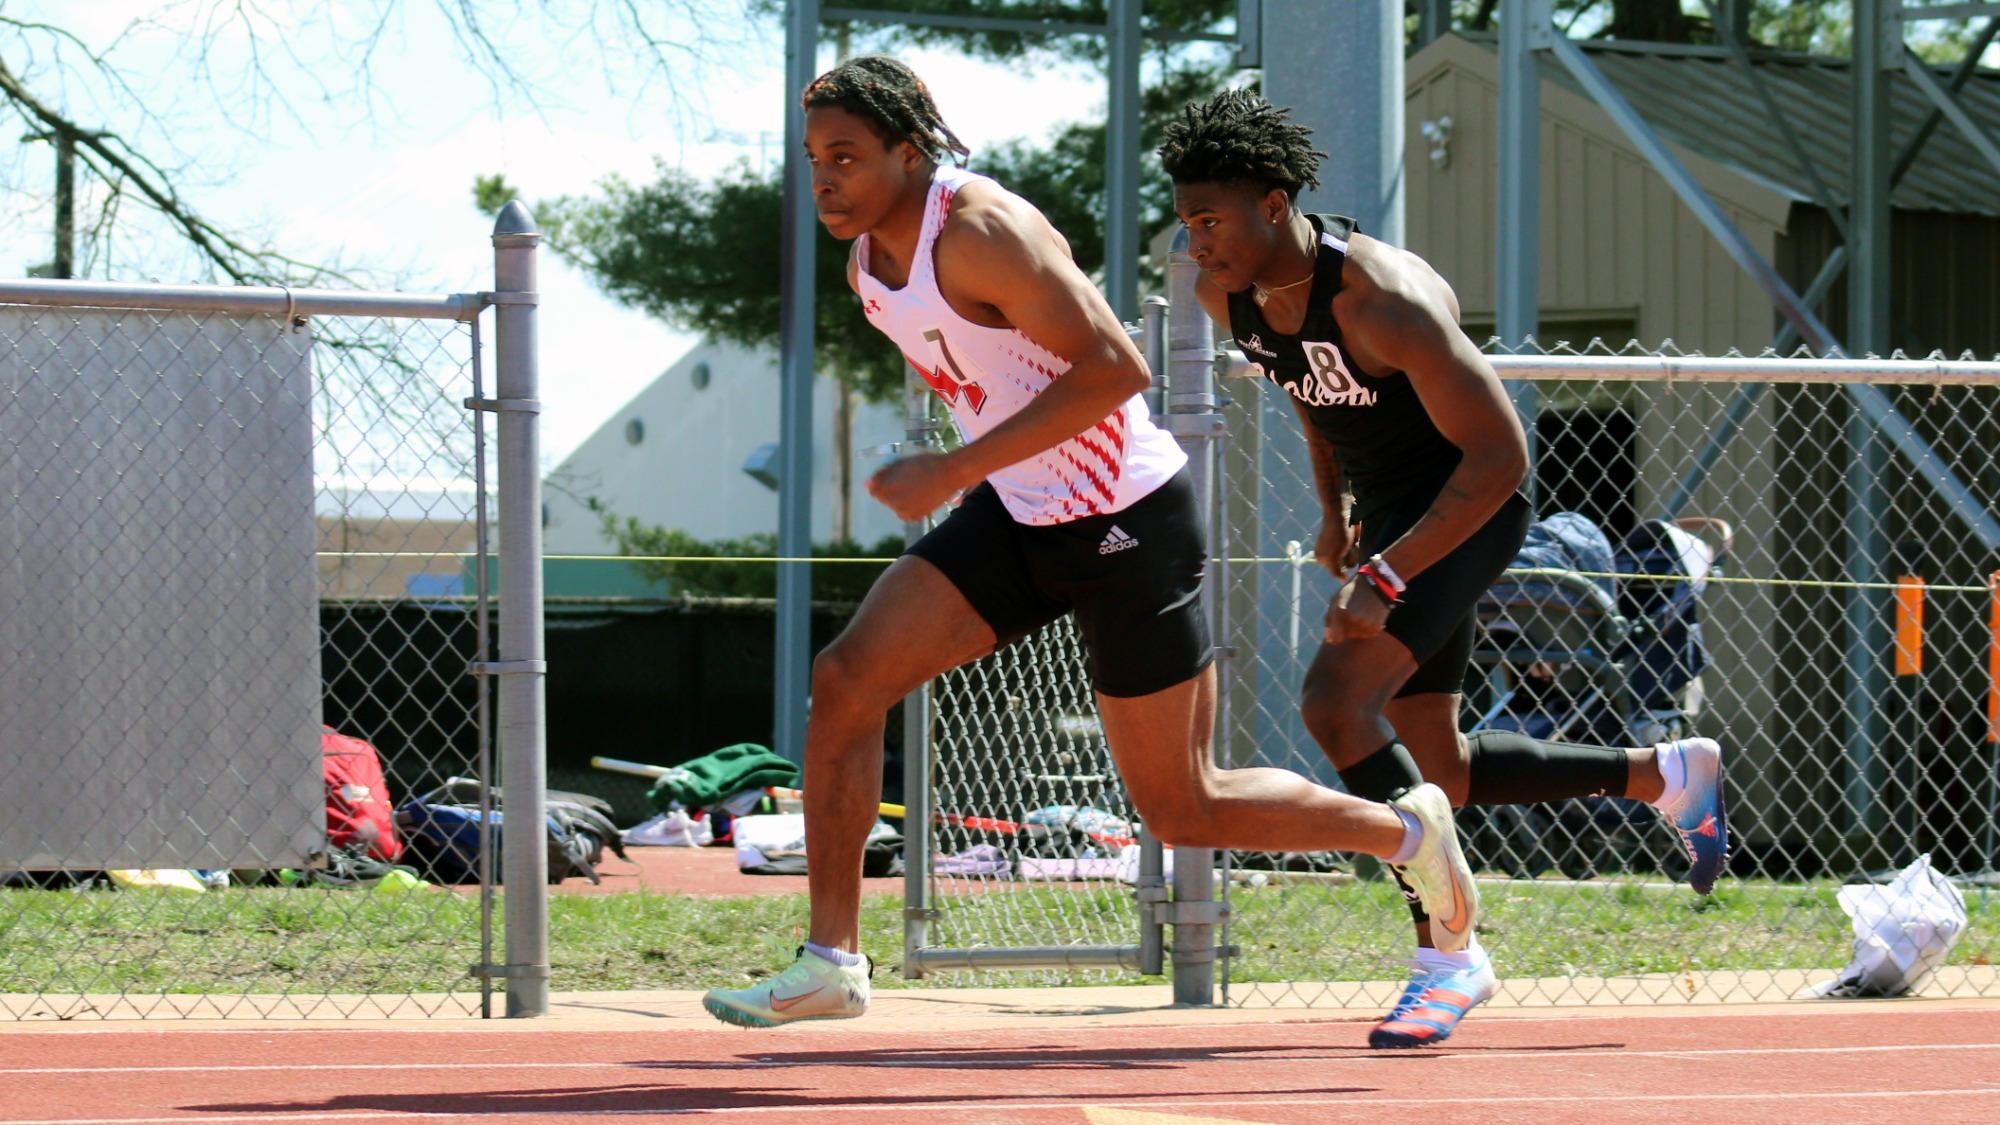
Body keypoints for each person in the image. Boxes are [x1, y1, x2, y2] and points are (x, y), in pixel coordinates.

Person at [702, 56, 1481, 1031]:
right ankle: (832, 962)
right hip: (1020, 510)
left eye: (847, 156)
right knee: (847, 679)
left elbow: (1116, 368)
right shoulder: (868, 262)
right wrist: (977, 471)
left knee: (1183, 808)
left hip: (1126, 520)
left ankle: (1404, 831)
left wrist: (952, 467)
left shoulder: (982, 230)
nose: (824, 178)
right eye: (815, 157)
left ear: (908, 152)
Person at [1160, 89, 1729, 1049]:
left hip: (1469, 507)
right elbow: (1309, 394)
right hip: (1389, 511)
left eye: (1211, 220)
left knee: (1337, 705)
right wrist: (1336, 510)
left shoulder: (1384, 299)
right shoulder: (1229, 294)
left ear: (1274, 203)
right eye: (1186, 222)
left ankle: (1450, 955)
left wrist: (1388, 573)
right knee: (1441, 768)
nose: (1195, 243)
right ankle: (1664, 774)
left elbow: (1501, 458)